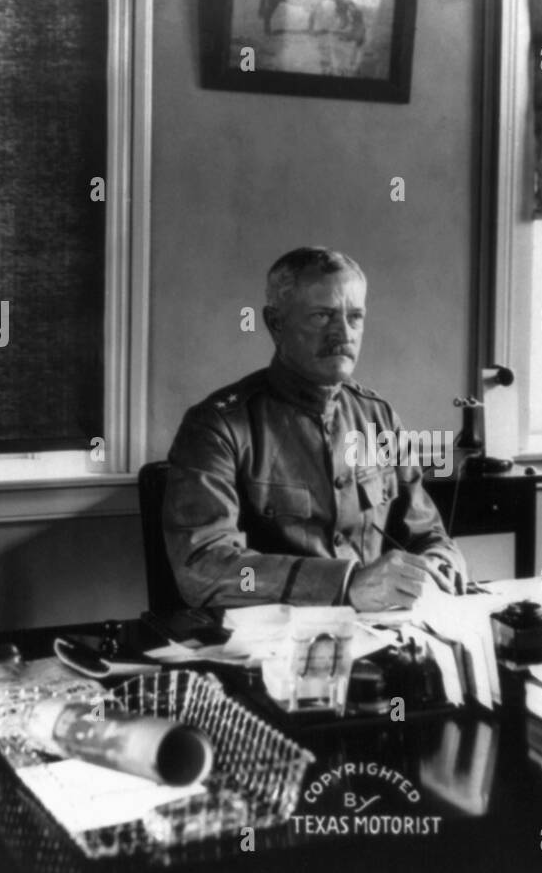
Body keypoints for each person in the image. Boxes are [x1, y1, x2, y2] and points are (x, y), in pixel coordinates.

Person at [163, 247, 467, 611]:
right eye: (322, 316)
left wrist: (436, 565)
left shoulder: (379, 418)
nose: (343, 334)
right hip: (272, 651)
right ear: (276, 324)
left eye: (355, 317)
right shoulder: (217, 427)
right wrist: (347, 583)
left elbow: (428, 533)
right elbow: (203, 566)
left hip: (379, 635)